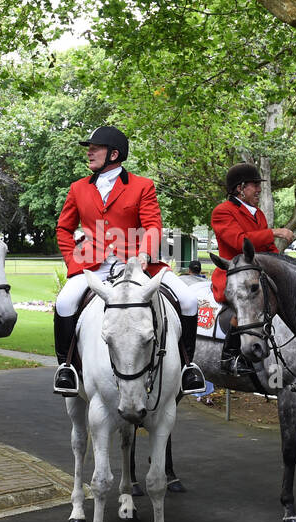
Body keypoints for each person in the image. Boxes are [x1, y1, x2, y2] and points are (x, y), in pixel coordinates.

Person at [53, 125, 205, 396]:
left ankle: (187, 367)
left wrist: (145, 254)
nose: (89, 152)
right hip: (93, 266)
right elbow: (63, 229)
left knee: (189, 300)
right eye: (90, 148)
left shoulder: (142, 186)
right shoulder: (78, 189)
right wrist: (73, 262)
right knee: (64, 302)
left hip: (137, 264)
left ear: (113, 154)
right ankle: (67, 368)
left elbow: (152, 225)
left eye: (95, 148)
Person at [210, 162, 296, 375]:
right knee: (245, 304)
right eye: (254, 185)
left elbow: (268, 249)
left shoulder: (258, 214)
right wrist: (273, 232)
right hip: (233, 276)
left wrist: (287, 268)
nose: (259, 190)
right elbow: (240, 242)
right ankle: (230, 356)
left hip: (258, 276)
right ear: (240, 188)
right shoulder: (222, 212)